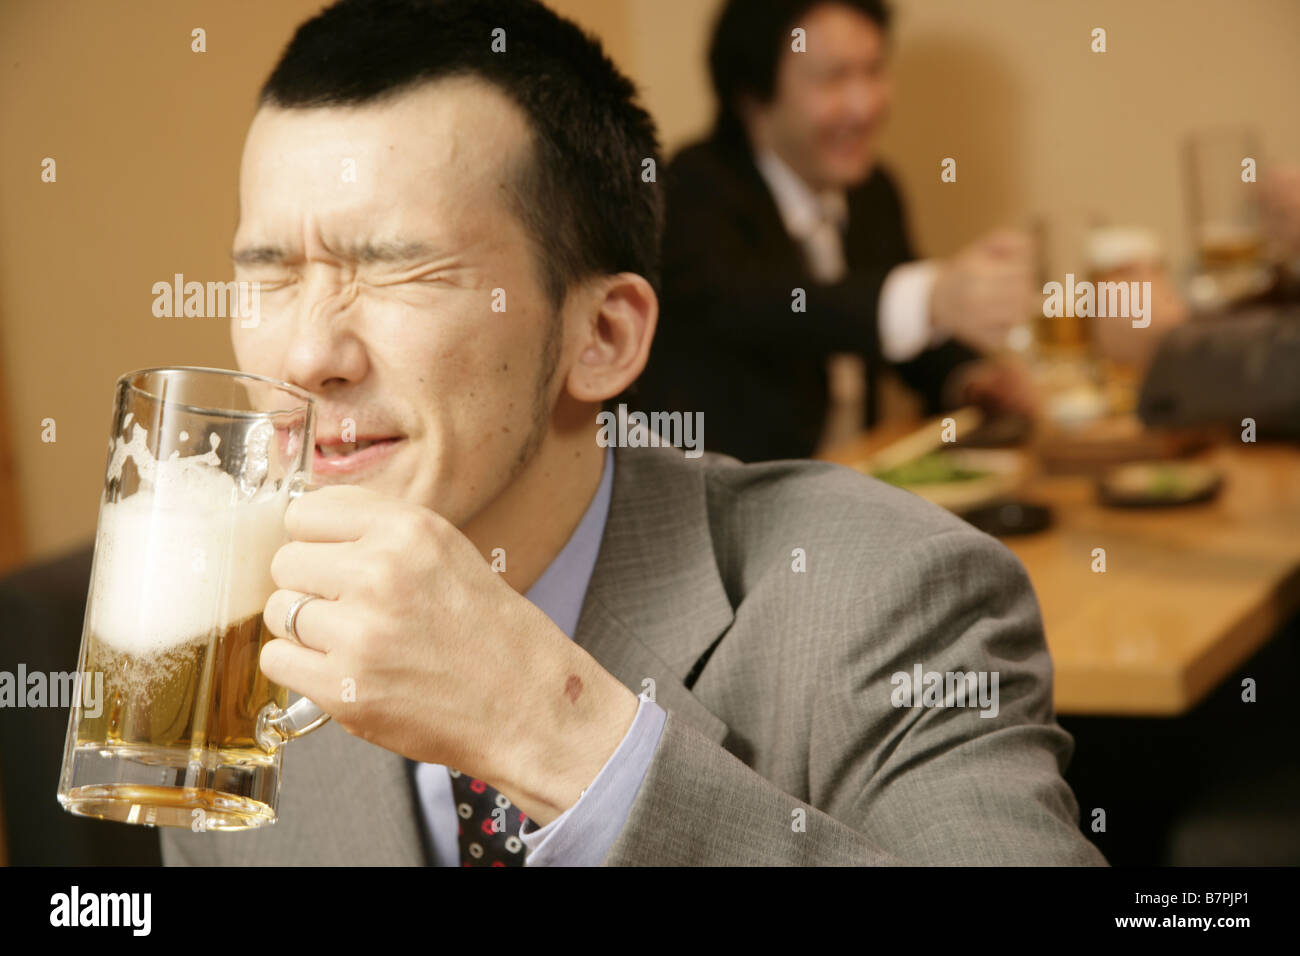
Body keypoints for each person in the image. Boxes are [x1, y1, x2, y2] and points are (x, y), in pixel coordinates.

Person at [161, 0, 1104, 866]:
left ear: (603, 337)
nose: (306, 355)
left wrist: (559, 741)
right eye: (272, 275)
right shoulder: (226, 657)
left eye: (401, 271)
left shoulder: (891, 600)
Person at [636, 0, 1036, 462]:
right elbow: (774, 308)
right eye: (834, 78)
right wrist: (931, 297)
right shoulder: (692, 188)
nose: (865, 105)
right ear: (753, 94)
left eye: (873, 71)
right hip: (735, 503)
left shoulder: (873, 192)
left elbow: (906, 342)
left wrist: (971, 380)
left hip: (857, 486)